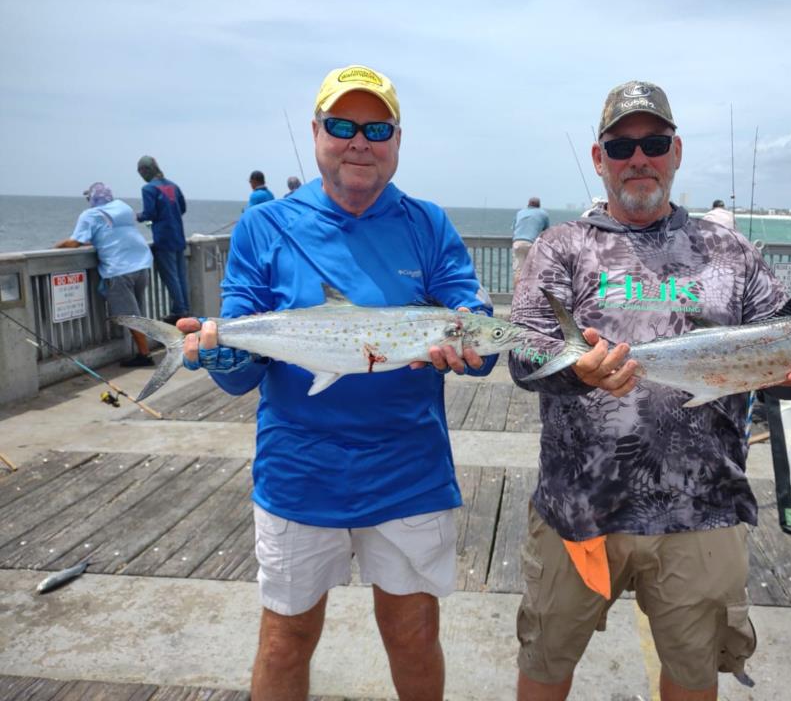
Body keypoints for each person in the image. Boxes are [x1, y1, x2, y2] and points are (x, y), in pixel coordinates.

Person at [176, 64, 498, 701]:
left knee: (412, 634)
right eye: (344, 125)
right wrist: (218, 351)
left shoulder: (428, 225)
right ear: (318, 132)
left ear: (397, 140)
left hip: (409, 472)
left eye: (376, 127)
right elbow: (242, 380)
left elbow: (478, 335)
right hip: (301, 471)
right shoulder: (265, 227)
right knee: (284, 639)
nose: (360, 141)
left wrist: (471, 345)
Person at [509, 80, 791, 701]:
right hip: (579, 511)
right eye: (622, 144)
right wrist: (576, 369)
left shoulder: (730, 251)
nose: (639, 157)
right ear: (599, 157)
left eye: (653, 142)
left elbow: (778, 353)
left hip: (703, 510)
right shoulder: (562, 247)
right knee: (546, 662)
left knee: (692, 675)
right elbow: (524, 354)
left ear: (676, 151)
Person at [55, 183, 155, 366]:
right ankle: (147, 348)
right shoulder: (123, 207)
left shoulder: (90, 215)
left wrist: (54, 248)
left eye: (88, 198)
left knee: (130, 315)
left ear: (92, 199)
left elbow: (75, 242)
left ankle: (145, 355)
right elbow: (111, 233)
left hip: (119, 268)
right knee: (139, 311)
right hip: (141, 263)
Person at [136, 155, 190, 323]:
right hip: (178, 236)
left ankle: (179, 311)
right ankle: (184, 308)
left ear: (145, 171)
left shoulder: (149, 189)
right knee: (181, 275)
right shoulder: (173, 186)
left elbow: (149, 213)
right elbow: (182, 208)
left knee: (170, 275)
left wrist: (137, 217)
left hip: (163, 238)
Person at [512, 197, 550, 288]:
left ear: (528, 204)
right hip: (532, 243)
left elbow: (514, 228)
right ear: (539, 205)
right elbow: (547, 231)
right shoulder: (543, 214)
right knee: (533, 270)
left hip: (517, 242)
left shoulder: (520, 213)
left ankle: (517, 295)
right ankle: (530, 293)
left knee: (518, 271)